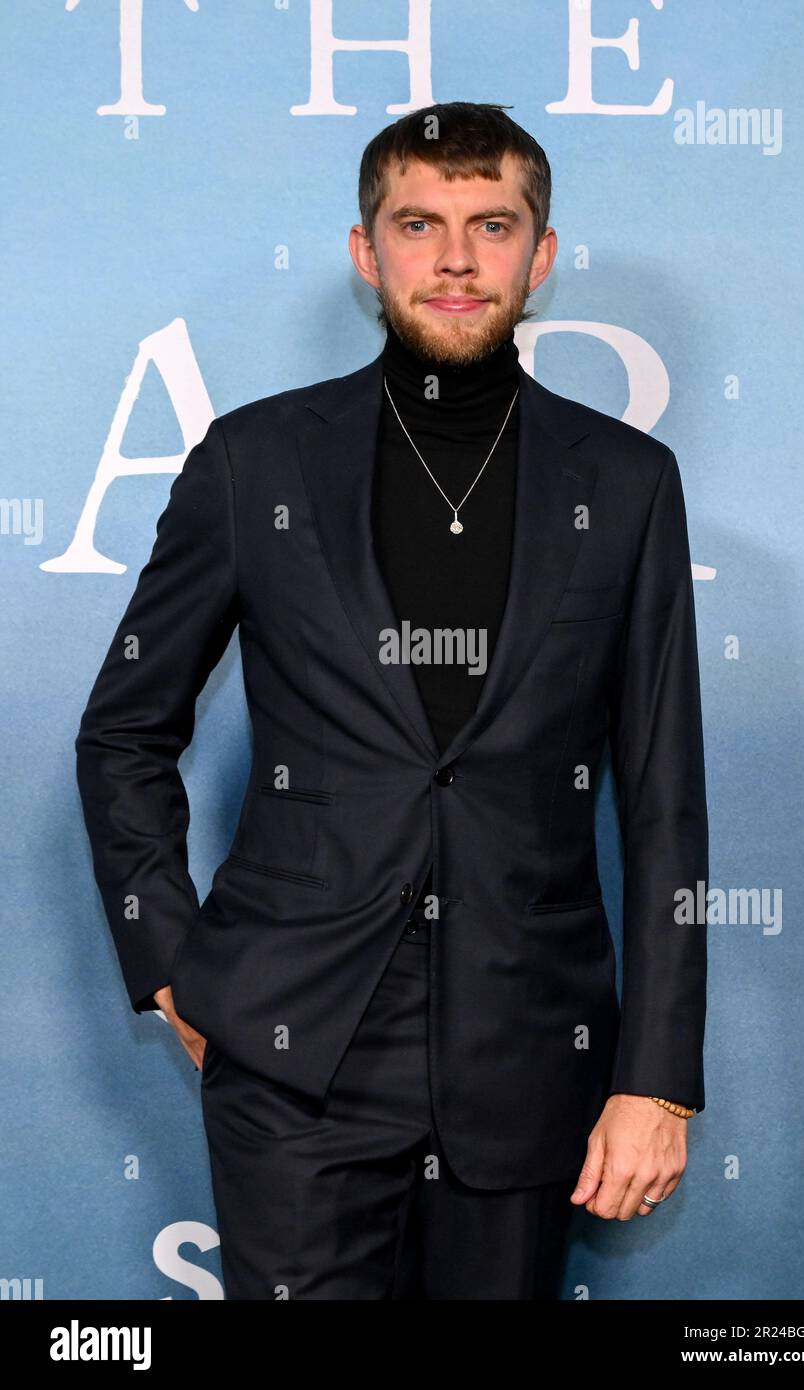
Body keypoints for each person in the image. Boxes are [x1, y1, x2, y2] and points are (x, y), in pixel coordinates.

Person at [75, 101, 709, 1299]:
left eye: (491, 224)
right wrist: (171, 964)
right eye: (419, 224)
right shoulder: (251, 462)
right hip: (291, 1056)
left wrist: (655, 1079)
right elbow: (124, 730)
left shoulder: (625, 485)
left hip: (525, 1057)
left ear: (541, 252)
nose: (457, 258)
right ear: (368, 253)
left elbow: (667, 798)